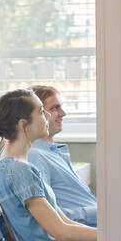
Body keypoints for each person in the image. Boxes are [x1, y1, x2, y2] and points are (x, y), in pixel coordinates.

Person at [0, 89, 97, 241]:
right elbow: (60, 232)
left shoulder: (19, 165)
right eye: (41, 112)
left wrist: (119, 236)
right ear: (23, 125)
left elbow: (65, 222)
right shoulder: (19, 171)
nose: (47, 116)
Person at [27, 85, 98, 226]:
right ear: (36, 116)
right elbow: (49, 217)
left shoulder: (53, 152)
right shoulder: (35, 157)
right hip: (87, 235)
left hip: (99, 227)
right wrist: (104, 214)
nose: (63, 113)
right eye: (54, 108)